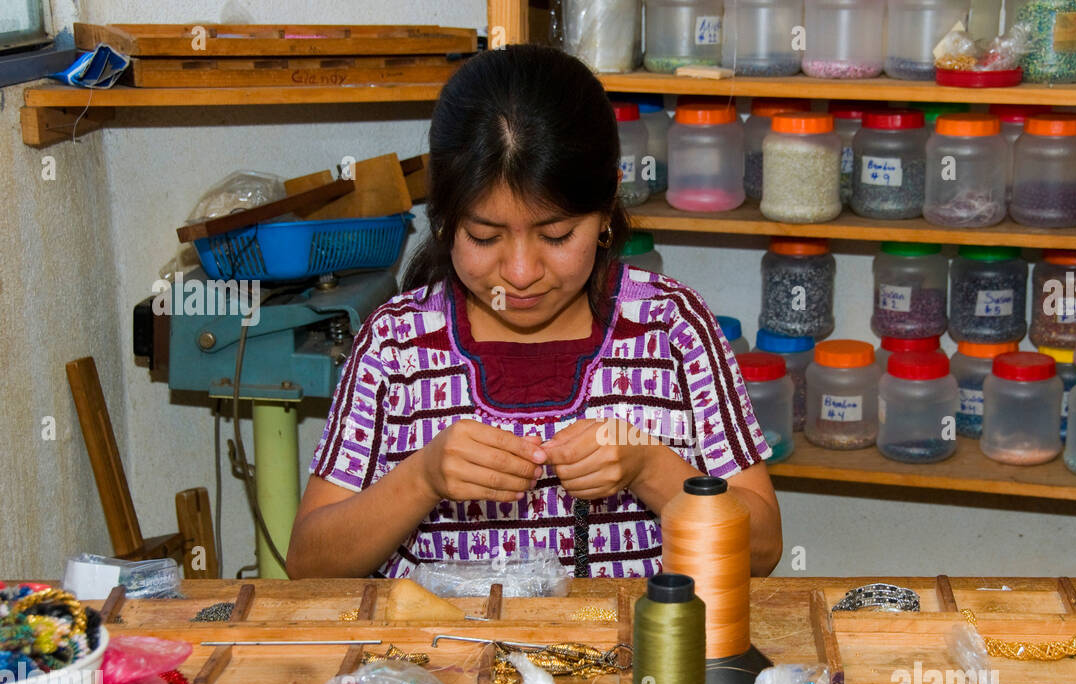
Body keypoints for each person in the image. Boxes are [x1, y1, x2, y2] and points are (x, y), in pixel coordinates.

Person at [286, 44, 782, 580]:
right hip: (441, 664)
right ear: (444, 217)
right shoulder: (397, 344)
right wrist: (422, 479)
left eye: (556, 234)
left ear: (608, 204)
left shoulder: (671, 328)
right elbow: (309, 566)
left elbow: (763, 549)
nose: (521, 273)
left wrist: (650, 466)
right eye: (484, 235)